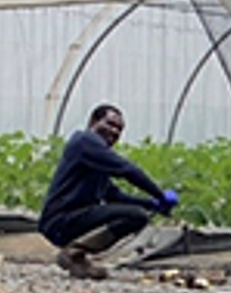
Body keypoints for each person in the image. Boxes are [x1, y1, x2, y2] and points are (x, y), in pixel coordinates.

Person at [39, 104, 178, 279]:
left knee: (137, 213)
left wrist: (152, 204)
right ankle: (74, 253)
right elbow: (127, 169)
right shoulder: (85, 141)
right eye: (110, 124)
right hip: (60, 220)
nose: (114, 131)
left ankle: (78, 259)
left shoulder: (96, 158)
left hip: (70, 220)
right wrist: (159, 194)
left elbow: (113, 195)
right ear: (93, 122)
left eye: (119, 129)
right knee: (135, 216)